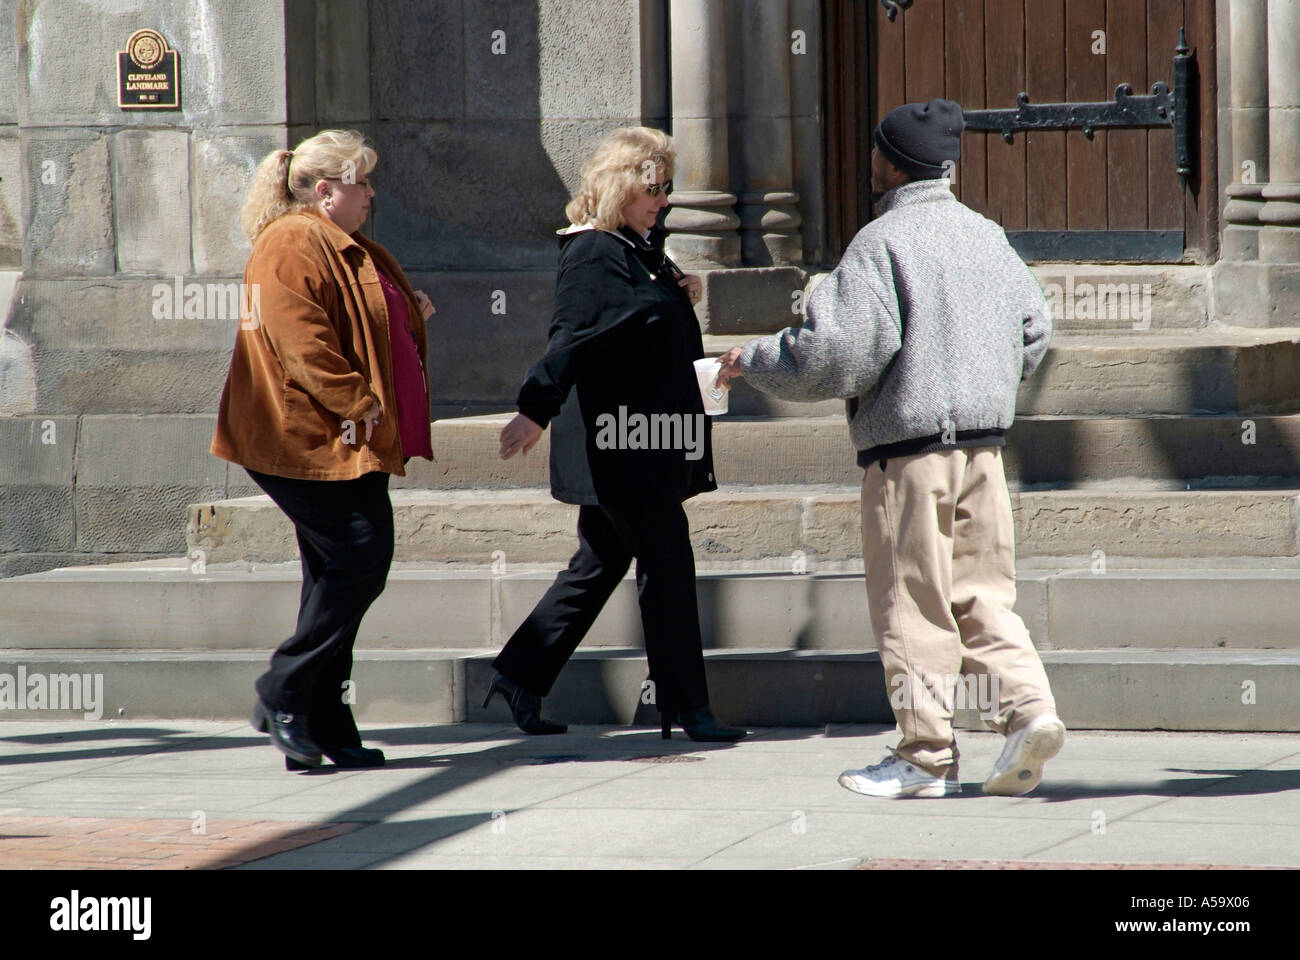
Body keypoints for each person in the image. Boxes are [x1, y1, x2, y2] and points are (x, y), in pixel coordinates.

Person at [719, 99, 1065, 795]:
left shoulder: (881, 242)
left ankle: (924, 756)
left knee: (913, 602)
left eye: (875, 151)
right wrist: (987, 381)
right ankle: (1029, 713)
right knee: (983, 597)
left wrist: (752, 360)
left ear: (889, 162)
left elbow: (837, 355)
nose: (868, 162)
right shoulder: (986, 235)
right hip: (984, 449)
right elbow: (1036, 331)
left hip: (909, 453)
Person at [488, 126, 746, 742]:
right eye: (653, 189)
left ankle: (521, 674)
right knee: (668, 564)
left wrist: (686, 306)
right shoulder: (594, 251)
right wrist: (534, 408)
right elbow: (572, 334)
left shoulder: (638, 250)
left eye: (667, 189)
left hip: (645, 440)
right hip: (622, 444)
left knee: (600, 561)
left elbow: (639, 329)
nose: (663, 201)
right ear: (621, 187)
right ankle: (685, 707)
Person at [211, 129, 436, 770]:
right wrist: (357, 401)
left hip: (343, 443)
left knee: (333, 573)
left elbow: (354, 317)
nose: (371, 193)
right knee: (361, 557)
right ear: (327, 189)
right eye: (362, 182)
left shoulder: (340, 241)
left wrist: (411, 314)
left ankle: (321, 721)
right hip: (303, 438)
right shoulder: (291, 240)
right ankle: (284, 690)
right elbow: (300, 338)